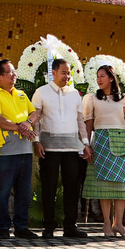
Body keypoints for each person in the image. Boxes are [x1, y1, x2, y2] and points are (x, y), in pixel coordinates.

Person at [32, 58, 90, 239]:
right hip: (49, 148)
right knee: (48, 188)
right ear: (54, 73)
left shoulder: (74, 94)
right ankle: (48, 227)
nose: (67, 76)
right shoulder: (41, 92)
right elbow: (35, 119)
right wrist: (36, 141)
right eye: (64, 72)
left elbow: (81, 121)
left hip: (73, 149)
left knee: (72, 188)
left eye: (69, 73)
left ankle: (70, 226)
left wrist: (86, 143)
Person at [0, 59, 38, 240]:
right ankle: (3, 228)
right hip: (4, 151)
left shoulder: (21, 94)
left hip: (25, 150)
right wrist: (19, 127)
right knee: (3, 192)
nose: (15, 75)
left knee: (24, 191)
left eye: (14, 72)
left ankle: (21, 226)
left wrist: (27, 123)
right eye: (10, 72)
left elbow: (35, 113)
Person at [83, 65, 125, 238]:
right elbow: (89, 124)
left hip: (122, 142)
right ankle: (106, 223)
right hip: (101, 142)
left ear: (111, 78)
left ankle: (118, 223)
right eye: (97, 76)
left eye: (102, 76)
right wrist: (87, 144)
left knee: (121, 186)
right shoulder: (92, 98)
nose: (99, 79)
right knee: (103, 186)